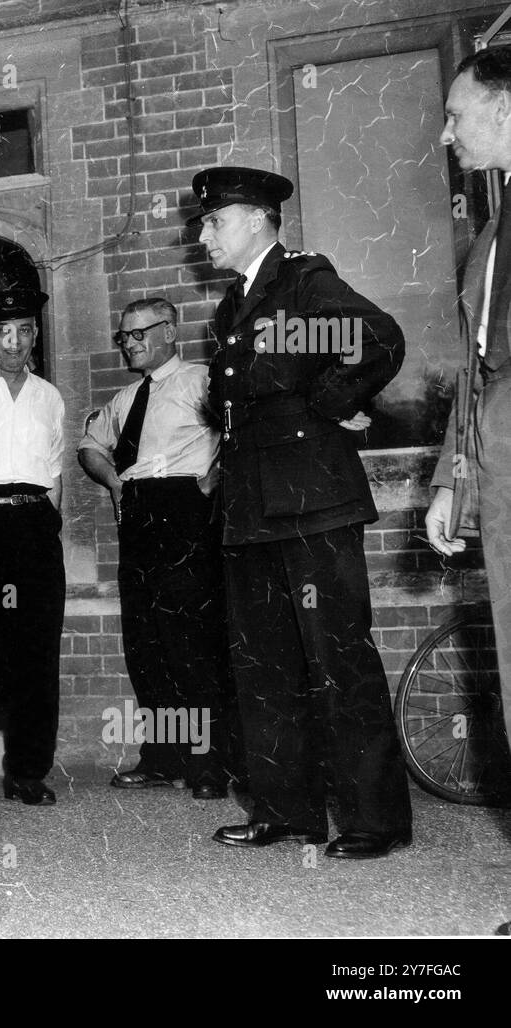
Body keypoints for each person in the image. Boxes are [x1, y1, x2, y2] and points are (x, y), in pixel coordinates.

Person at [190, 165, 413, 858]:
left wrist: (331, 404)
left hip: (313, 500)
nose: (203, 236)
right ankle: (287, 811)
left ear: (257, 218)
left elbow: (376, 338)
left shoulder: (303, 277)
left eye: (213, 221)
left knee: (338, 658)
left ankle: (374, 820)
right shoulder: (234, 305)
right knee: (263, 664)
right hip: (252, 505)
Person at [420, 46, 511, 934]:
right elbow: (480, 374)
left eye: (458, 114)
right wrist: (455, 477)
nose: (446, 134)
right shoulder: (491, 234)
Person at [78, 298, 235, 800]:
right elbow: (90, 446)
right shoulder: (125, 399)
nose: (130, 343)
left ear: (170, 331)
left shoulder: (202, 379)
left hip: (184, 511)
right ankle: (163, 758)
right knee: (146, 643)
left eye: (138, 333)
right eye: (123, 336)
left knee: (191, 642)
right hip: (139, 513)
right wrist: (115, 484)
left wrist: (212, 480)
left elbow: (242, 430)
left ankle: (211, 765)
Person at [0, 288, 65, 806]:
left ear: (35, 335)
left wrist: (51, 522)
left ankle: (28, 771)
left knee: (37, 652)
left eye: (24, 330)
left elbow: (55, 469)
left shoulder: (49, 395)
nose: (14, 341)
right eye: (4, 330)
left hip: (35, 525)